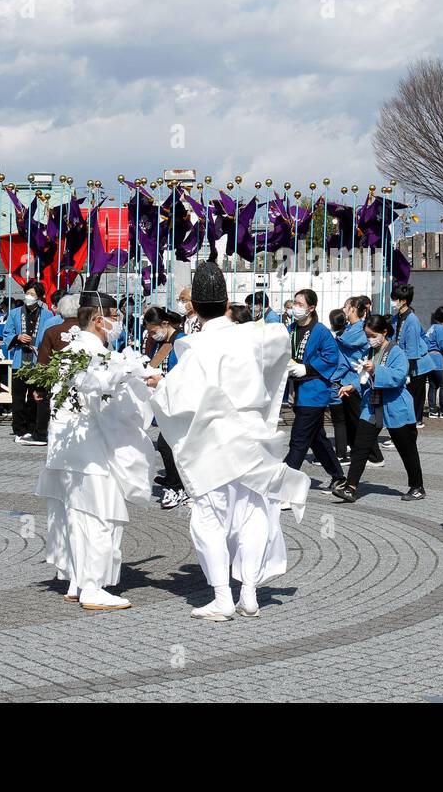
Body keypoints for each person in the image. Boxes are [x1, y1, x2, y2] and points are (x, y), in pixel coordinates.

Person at [151, 261, 311, 621]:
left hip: (217, 437)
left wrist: (159, 387)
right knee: (254, 510)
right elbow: (279, 342)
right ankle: (250, 592)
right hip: (254, 432)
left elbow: (180, 397)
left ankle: (223, 595)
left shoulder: (195, 346)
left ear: (196, 309)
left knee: (209, 515)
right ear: (227, 305)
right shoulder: (255, 335)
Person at [36, 295, 157, 610]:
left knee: (76, 517)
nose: (118, 322)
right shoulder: (94, 354)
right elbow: (105, 399)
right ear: (99, 320)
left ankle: (78, 580)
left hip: (65, 451)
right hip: (91, 453)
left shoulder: (71, 351)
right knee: (102, 517)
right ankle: (92, 588)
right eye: (115, 316)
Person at [332, 314, 426, 503]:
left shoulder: (397, 352)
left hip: (395, 405)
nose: (370, 339)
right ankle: (351, 487)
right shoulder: (369, 352)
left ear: (384, 332)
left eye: (373, 335)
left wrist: (375, 370)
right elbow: (364, 377)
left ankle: (417, 486)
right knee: (361, 447)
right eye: (367, 336)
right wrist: (352, 386)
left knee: (406, 448)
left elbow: (399, 377)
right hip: (372, 405)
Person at [282, 288, 349, 488]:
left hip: (314, 392)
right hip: (297, 390)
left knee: (298, 440)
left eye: (300, 304)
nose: (296, 307)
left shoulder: (320, 331)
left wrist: (308, 368)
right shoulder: (291, 328)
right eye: (295, 303)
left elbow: (331, 358)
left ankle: (284, 483)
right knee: (317, 438)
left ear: (311, 308)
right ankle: (338, 477)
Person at [2, 281, 58, 445]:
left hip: (38, 360)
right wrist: (17, 338)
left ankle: (34, 428)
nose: (29, 297)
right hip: (20, 358)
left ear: (40, 297)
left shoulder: (47, 315)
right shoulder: (14, 313)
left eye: (33, 294)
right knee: (18, 397)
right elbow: (7, 333)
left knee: (36, 397)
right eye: (28, 293)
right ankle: (19, 429)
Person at [143, 306, 188, 510]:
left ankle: (176, 486)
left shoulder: (181, 342)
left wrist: (163, 380)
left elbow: (185, 374)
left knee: (165, 444)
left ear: (165, 324)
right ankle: (175, 480)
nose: (152, 335)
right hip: (164, 400)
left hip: (180, 401)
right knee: (169, 444)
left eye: (154, 331)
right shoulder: (162, 343)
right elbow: (154, 364)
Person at [336, 296, 384, 469]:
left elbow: (348, 346)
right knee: (353, 419)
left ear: (353, 309)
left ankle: (375, 455)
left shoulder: (359, 332)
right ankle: (360, 451)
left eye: (346, 306)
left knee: (360, 420)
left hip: (356, 379)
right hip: (348, 378)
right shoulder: (350, 329)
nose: (343, 309)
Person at [33, 292, 84, 446]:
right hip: (85, 380)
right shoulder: (89, 330)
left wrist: (39, 388)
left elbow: (43, 361)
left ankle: (43, 434)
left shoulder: (52, 331)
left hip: (59, 381)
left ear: (61, 310)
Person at [390, 284, 427, 429]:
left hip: (415, 366)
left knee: (413, 397)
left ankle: (412, 423)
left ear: (403, 300)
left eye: (395, 299)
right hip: (403, 363)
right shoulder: (396, 318)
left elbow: (412, 350)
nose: (393, 302)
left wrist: (406, 370)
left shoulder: (412, 320)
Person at [326, 309, 352, 464]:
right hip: (346, 382)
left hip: (335, 382)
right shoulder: (349, 335)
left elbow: (339, 363)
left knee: (338, 421)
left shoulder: (337, 341)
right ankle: (345, 450)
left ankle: (341, 453)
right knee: (344, 419)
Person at [419, 307, 443, 419]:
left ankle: (432, 409)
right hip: (438, 359)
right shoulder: (442, 329)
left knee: (433, 385)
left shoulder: (432, 327)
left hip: (429, 359)